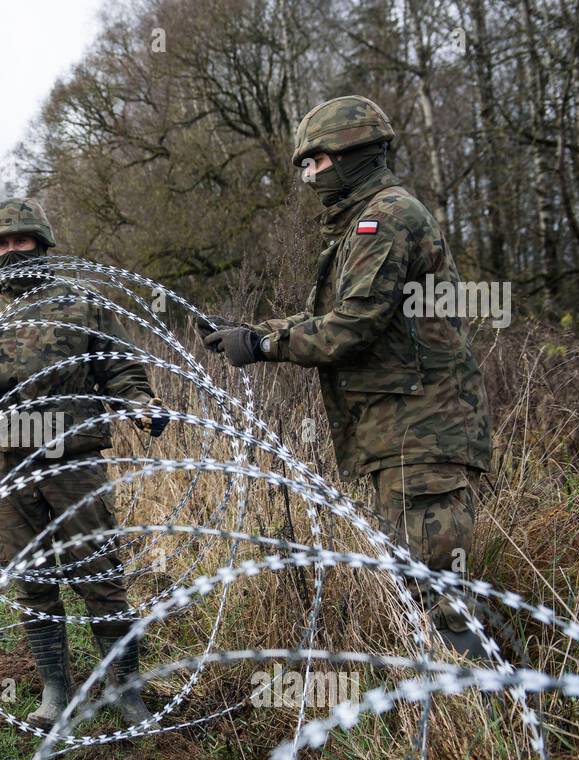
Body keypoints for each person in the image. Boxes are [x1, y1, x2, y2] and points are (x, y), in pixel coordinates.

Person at [198, 95, 492, 656]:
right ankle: (453, 709)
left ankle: (497, 714)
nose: (310, 177)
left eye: (317, 162)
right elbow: (342, 319)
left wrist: (264, 344)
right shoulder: (367, 221)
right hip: (404, 430)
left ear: (353, 154)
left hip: (419, 431)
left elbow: (352, 326)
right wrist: (251, 329)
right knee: (418, 585)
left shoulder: (384, 219)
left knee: (441, 595)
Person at [0, 197, 168, 729]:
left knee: (100, 571)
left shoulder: (84, 302)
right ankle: (54, 688)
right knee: (29, 575)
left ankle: (126, 690)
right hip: (8, 458)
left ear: (41, 244)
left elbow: (121, 369)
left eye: (21, 240)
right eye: (2, 243)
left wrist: (141, 405)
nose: (12, 250)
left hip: (74, 456)